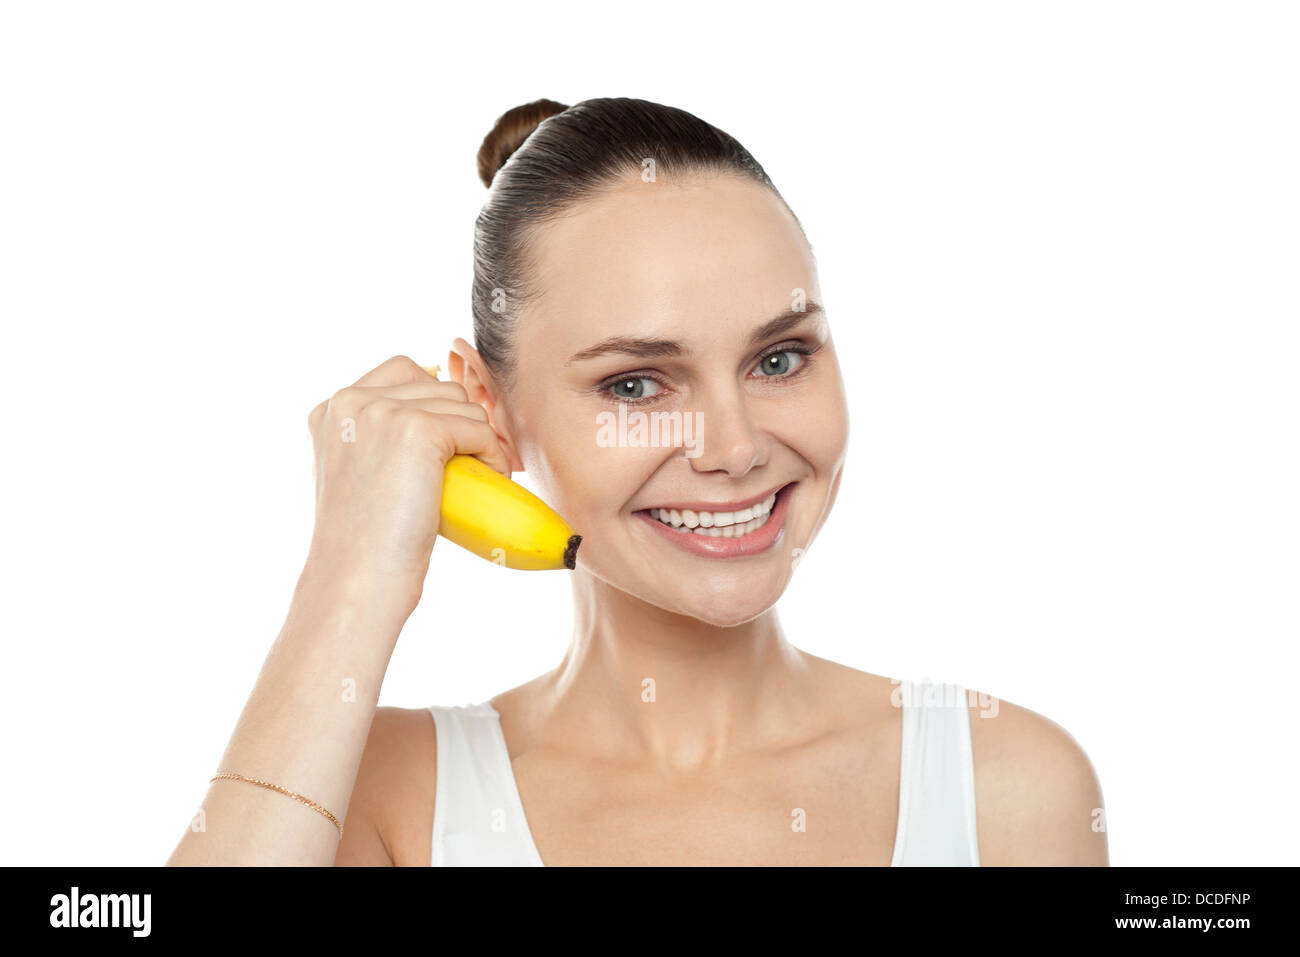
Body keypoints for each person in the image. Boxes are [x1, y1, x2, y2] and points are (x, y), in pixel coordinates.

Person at [167, 97, 1107, 867]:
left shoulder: (1008, 790)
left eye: (779, 359)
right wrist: (348, 581)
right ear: (490, 409)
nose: (733, 447)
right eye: (635, 383)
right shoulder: (379, 795)